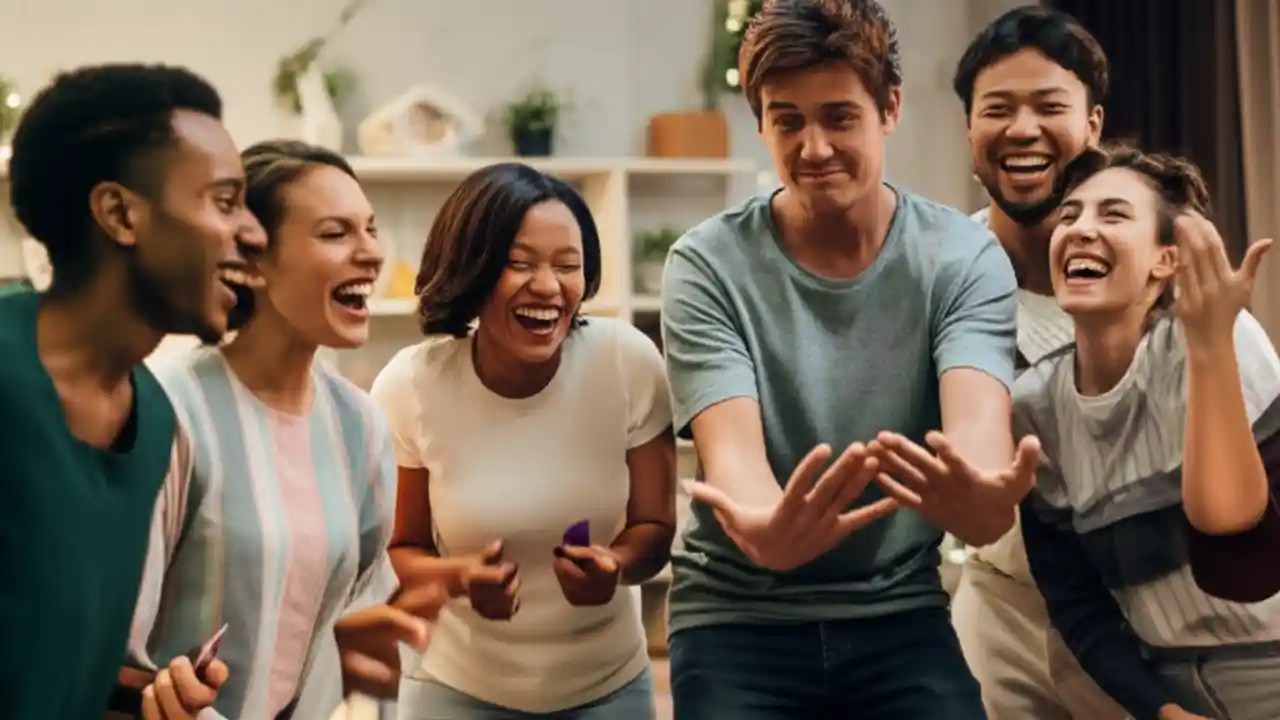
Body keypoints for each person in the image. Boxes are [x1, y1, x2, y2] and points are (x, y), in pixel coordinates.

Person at [659, 1, 1039, 717]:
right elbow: (735, 460)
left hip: (898, 609)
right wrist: (765, 527)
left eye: (839, 116)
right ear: (762, 123)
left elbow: (978, 429)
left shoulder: (961, 256)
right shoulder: (707, 263)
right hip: (738, 616)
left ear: (889, 108)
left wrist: (986, 497)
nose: (814, 147)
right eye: (788, 120)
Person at [126, 140, 446, 718]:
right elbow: (110, 638)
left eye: (370, 229)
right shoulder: (169, 410)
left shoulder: (361, 426)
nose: (371, 253)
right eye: (335, 233)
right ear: (251, 260)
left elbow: (358, 614)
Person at [0, 63, 264, 719]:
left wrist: (145, 698)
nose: (254, 234)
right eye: (225, 202)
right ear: (120, 213)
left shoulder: (154, 421)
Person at [370, 162, 676, 718]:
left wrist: (617, 567)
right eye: (519, 263)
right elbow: (401, 547)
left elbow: (654, 529)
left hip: (606, 685)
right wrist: (458, 579)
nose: (548, 287)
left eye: (568, 265)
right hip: (456, 686)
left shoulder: (626, 363)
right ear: (472, 268)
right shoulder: (411, 384)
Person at [1015, 144, 1280, 720]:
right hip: (1165, 686)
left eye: (1112, 215)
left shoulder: (1222, 341)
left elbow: (1248, 563)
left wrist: (1209, 346)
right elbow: (1076, 603)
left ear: (1167, 260)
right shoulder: (1035, 405)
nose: (1081, 229)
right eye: (1070, 215)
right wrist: (1161, 710)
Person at [948, 7, 1127, 718]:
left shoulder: (1158, 256)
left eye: (1050, 106)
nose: (1022, 130)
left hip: (1154, 614)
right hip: (1003, 615)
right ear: (970, 132)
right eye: (997, 109)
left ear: (1093, 125)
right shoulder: (941, 276)